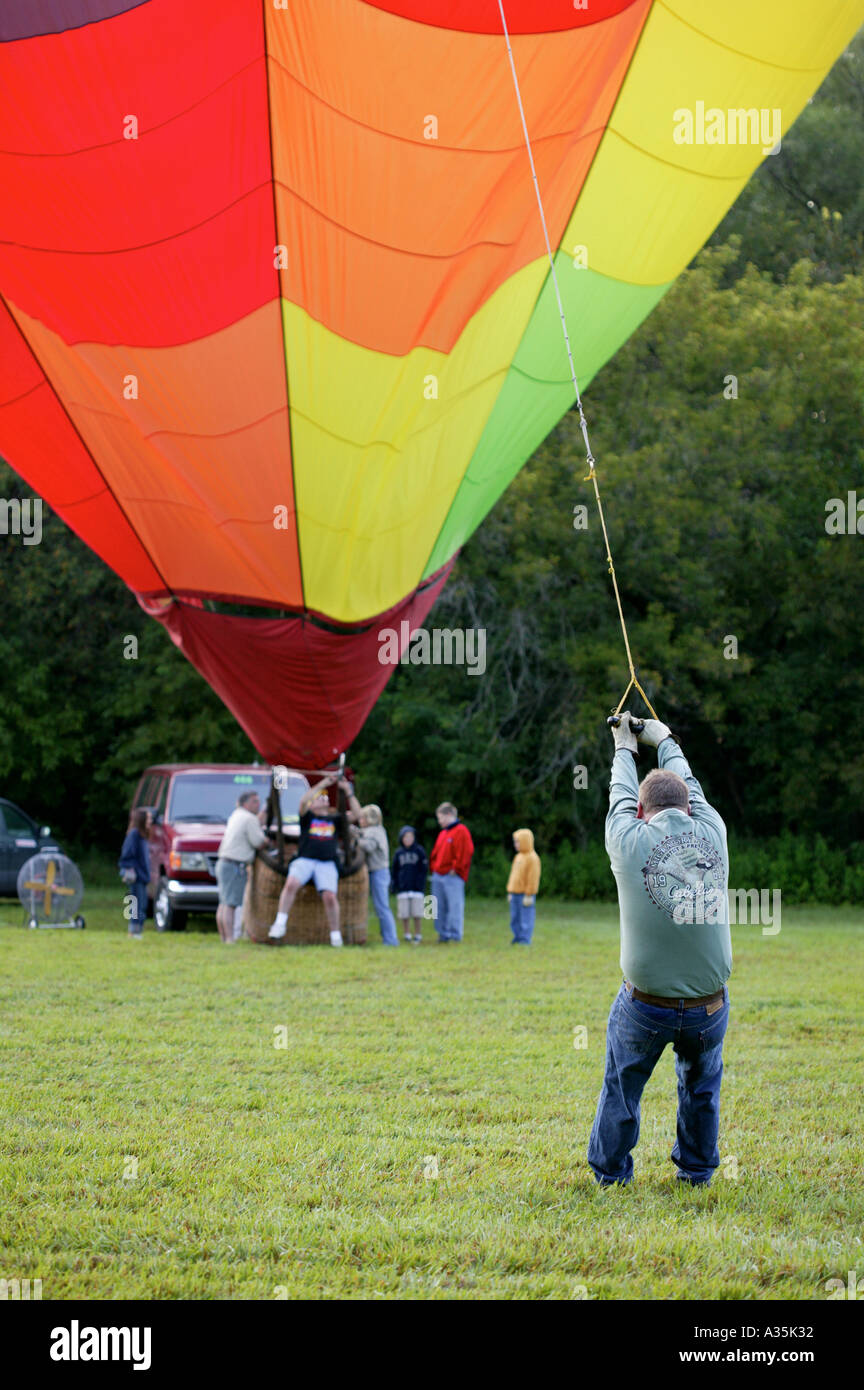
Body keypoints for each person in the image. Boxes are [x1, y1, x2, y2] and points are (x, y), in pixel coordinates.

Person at [587, 712, 732, 1188]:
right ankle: (696, 1172)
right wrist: (664, 737)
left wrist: (623, 747)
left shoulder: (627, 841)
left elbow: (619, 795)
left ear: (642, 813)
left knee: (622, 1087)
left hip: (645, 1004)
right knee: (701, 1089)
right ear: (690, 809)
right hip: (709, 1006)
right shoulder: (714, 832)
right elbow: (689, 782)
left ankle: (611, 1175)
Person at [267, 775, 360, 947]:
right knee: (291, 883)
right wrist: (325, 783)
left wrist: (349, 792)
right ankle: (280, 923)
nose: (323, 799)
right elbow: (303, 802)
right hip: (305, 860)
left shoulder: (336, 819)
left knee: (330, 896)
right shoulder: (308, 817)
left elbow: (357, 815)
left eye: (325, 797)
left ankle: (335, 935)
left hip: (327, 862)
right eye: (319, 798)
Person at [216, 790, 269, 943]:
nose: (257, 805)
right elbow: (257, 841)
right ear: (246, 803)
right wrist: (266, 841)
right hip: (235, 864)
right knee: (230, 904)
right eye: (254, 801)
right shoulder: (249, 818)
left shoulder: (236, 815)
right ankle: (230, 939)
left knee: (223, 902)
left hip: (223, 862)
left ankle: (224, 937)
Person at [429, 802, 474, 943]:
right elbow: (436, 854)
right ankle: (442, 934)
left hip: (452, 876)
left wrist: (455, 868)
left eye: (440, 817)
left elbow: (466, 852)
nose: (439, 821)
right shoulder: (443, 833)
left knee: (454, 906)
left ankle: (455, 935)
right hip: (438, 874)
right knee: (436, 906)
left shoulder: (461, 831)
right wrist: (434, 867)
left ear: (449, 815)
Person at [355, 805, 398, 946]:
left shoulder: (374, 831)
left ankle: (391, 940)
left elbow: (369, 846)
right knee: (381, 906)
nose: (360, 820)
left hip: (378, 872)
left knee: (382, 907)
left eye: (362, 817)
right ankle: (388, 937)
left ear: (369, 818)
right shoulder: (376, 830)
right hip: (379, 872)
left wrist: (355, 839)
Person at [391, 825, 428, 943]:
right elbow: (394, 870)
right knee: (404, 913)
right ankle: (406, 934)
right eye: (405, 837)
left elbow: (424, 869)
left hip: (416, 888)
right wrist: (395, 884)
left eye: (410, 837)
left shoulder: (419, 851)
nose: (408, 839)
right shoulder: (399, 853)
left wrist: (420, 884)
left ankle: (418, 934)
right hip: (403, 888)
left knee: (417, 913)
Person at [119, 809, 151, 939]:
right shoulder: (134, 835)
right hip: (136, 876)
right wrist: (132, 870)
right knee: (135, 904)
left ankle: (138, 930)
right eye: (148, 819)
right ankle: (133, 931)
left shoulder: (142, 836)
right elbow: (126, 855)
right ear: (142, 820)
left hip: (142, 876)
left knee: (142, 904)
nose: (151, 821)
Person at [506, 828, 541, 945]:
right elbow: (513, 876)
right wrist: (510, 891)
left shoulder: (533, 858)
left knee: (526, 917)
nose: (515, 844)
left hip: (525, 894)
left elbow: (533, 878)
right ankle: (517, 937)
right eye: (515, 842)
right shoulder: (518, 857)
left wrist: (529, 894)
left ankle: (525, 939)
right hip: (515, 893)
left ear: (525, 841)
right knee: (515, 918)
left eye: (518, 841)